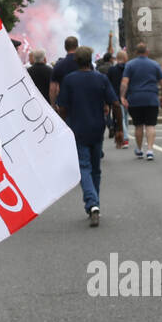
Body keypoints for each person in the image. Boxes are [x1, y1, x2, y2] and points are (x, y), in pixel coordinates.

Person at [58, 46, 120, 227]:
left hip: (77, 128)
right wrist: (118, 129)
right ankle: (95, 203)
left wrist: (62, 126)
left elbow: (62, 107)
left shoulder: (69, 80)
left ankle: (92, 203)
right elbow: (115, 103)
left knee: (83, 167)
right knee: (96, 168)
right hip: (97, 128)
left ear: (76, 61)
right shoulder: (100, 79)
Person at [119, 42, 162, 160]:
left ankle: (139, 149)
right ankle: (150, 150)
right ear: (147, 52)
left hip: (135, 99)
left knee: (138, 125)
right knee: (150, 125)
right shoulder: (155, 65)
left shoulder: (129, 65)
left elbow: (125, 82)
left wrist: (122, 97)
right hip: (151, 98)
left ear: (135, 52)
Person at [48, 36, 79, 108]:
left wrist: (53, 105)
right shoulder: (85, 63)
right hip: (82, 103)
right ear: (77, 46)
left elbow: (52, 89)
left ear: (65, 47)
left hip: (64, 104)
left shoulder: (59, 65)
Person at [107, 50, 129, 147]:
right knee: (126, 117)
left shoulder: (112, 70)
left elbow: (108, 84)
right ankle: (125, 135)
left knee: (121, 118)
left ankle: (125, 137)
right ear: (125, 58)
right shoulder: (129, 68)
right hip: (128, 96)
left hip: (116, 96)